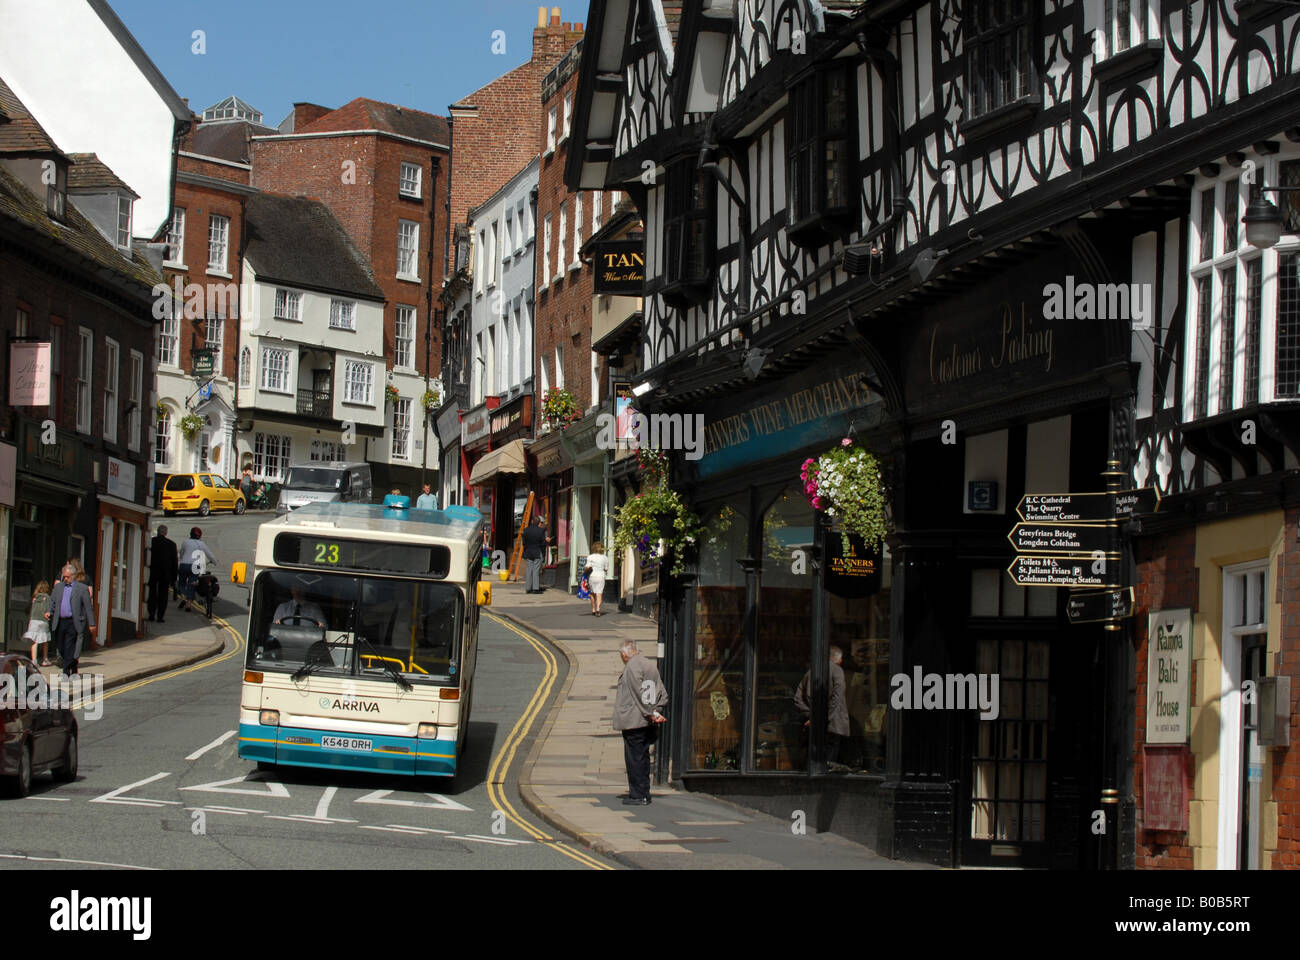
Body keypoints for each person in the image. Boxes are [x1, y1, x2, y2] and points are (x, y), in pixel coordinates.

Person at [613, 639, 667, 805]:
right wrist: (657, 710)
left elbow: (637, 693)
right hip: (647, 721)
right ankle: (644, 792)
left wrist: (650, 713)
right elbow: (661, 692)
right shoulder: (649, 664)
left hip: (634, 721)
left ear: (624, 654)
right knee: (642, 757)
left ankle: (638, 795)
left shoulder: (631, 667)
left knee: (634, 759)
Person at [793, 645, 851, 765]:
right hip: (833, 725)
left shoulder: (811, 671)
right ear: (839, 660)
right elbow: (838, 696)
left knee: (814, 763)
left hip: (813, 726)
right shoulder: (837, 670)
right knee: (829, 764)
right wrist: (823, 718)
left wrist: (811, 716)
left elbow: (797, 698)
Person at [47, 563, 95, 676]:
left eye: (67, 576)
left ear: (73, 576)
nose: (65, 578)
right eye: (64, 576)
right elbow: (52, 601)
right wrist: (49, 611)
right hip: (60, 621)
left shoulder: (82, 589)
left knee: (69, 646)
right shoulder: (59, 587)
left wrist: (92, 623)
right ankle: (73, 666)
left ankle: (65, 671)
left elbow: (88, 607)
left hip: (73, 622)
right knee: (61, 647)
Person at [177, 527, 217, 612]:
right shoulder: (202, 544)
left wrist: (181, 559)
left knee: (181, 583)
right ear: (200, 536)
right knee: (192, 584)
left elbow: (181, 553)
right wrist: (214, 561)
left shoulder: (185, 542)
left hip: (184, 565)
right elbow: (209, 554)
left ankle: (184, 597)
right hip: (195, 566)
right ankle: (188, 604)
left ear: (190, 534)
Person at [148, 524, 178, 623]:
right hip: (166, 574)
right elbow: (174, 562)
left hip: (152, 572)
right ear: (166, 533)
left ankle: (151, 614)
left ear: (157, 532)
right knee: (163, 595)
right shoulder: (171, 544)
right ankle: (160, 616)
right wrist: (174, 578)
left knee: (152, 593)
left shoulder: (152, 542)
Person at [25, 580, 52, 666]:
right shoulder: (47, 597)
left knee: (34, 641)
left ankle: (34, 660)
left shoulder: (34, 597)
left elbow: (28, 608)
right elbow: (49, 609)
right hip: (43, 620)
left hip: (33, 621)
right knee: (45, 641)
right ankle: (45, 659)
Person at [522, 515, 549, 594]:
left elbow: (524, 543)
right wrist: (547, 541)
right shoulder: (541, 531)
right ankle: (535, 588)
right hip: (537, 552)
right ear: (538, 523)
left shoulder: (526, 530)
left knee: (529, 570)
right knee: (536, 570)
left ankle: (528, 588)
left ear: (532, 522)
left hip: (529, 552)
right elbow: (542, 543)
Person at [585, 541, 610, 617]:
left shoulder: (590, 557)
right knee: (599, 593)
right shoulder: (605, 558)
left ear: (594, 548)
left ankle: (593, 609)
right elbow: (606, 569)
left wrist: (585, 573)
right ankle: (598, 609)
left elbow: (588, 567)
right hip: (601, 576)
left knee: (592, 593)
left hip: (592, 576)